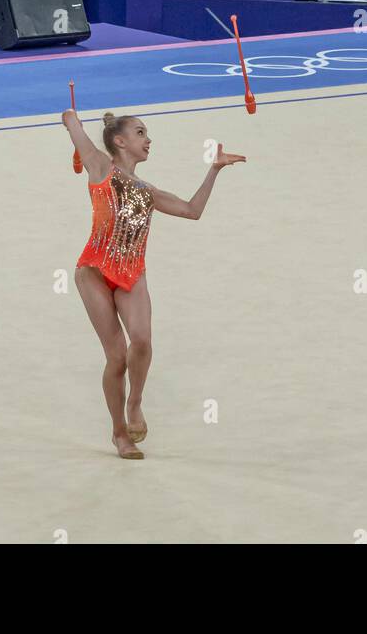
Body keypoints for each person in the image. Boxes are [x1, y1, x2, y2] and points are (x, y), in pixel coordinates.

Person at [64, 106, 246, 459]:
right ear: (120, 141)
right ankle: (119, 434)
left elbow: (192, 211)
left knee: (143, 342)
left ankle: (135, 402)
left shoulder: (147, 191)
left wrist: (215, 169)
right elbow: (72, 125)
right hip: (95, 272)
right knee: (116, 357)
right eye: (141, 133)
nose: (148, 140)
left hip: (132, 271)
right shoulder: (101, 166)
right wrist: (71, 116)